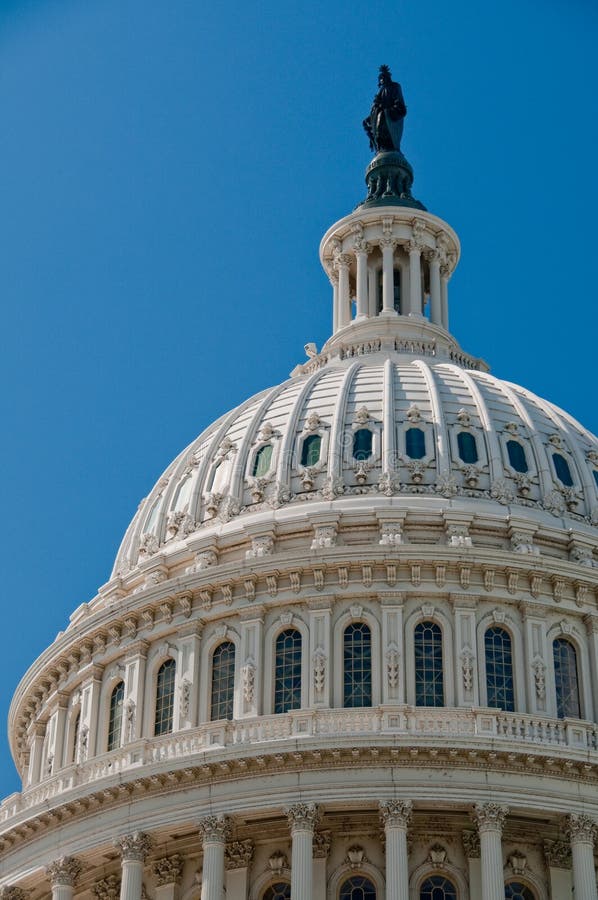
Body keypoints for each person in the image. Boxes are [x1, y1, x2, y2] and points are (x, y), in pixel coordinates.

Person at [363, 65, 407, 153]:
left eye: (385, 77)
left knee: (382, 125)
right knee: (369, 125)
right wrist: (370, 117)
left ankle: (385, 146)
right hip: (378, 114)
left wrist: (387, 108)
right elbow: (375, 107)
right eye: (381, 78)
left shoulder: (394, 87)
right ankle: (377, 146)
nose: (383, 80)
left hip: (388, 114)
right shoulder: (380, 90)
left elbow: (399, 103)